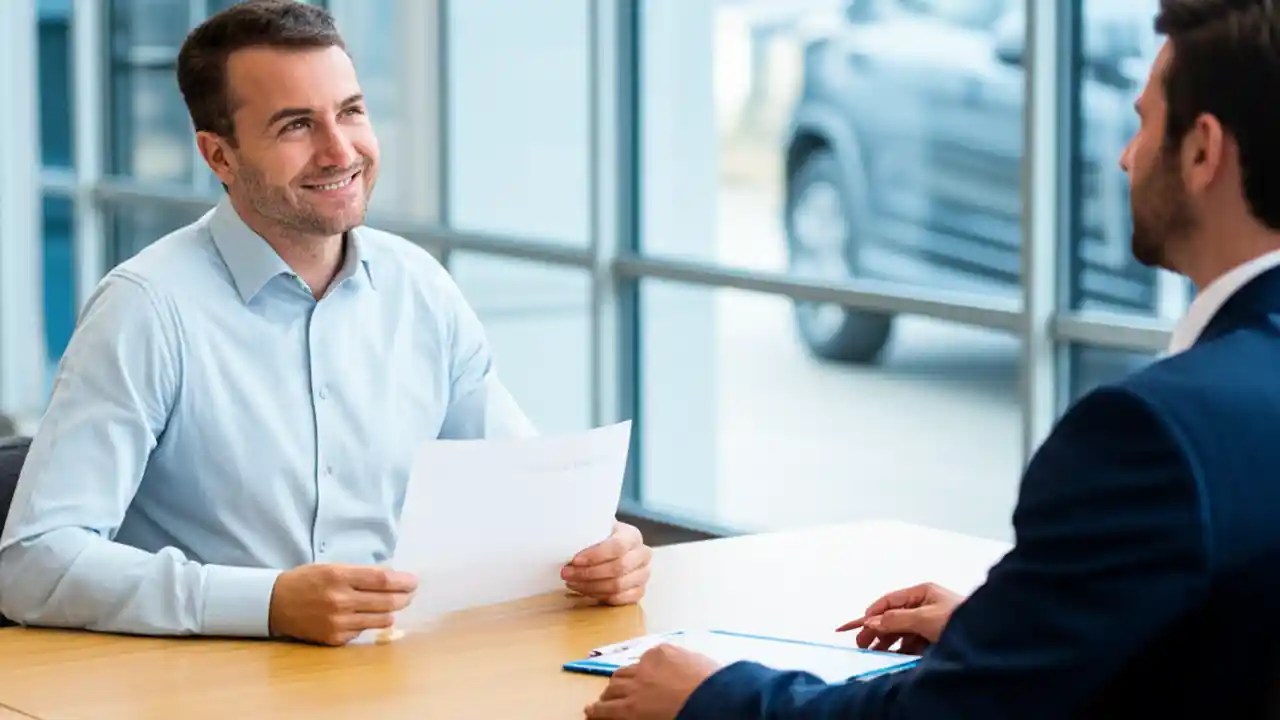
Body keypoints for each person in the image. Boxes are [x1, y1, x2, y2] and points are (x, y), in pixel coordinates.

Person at [586, 1, 1280, 717]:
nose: (1125, 156)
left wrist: (712, 696)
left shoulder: (1153, 433)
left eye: (1142, 123)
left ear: (1202, 151)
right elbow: (1219, 646)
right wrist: (1012, 627)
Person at [0, 0, 651, 646]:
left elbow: (523, 494)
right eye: (295, 126)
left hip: (399, 675)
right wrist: (268, 603)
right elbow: (35, 564)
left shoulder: (420, 289)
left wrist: (595, 547)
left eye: (351, 111)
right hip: (213, 689)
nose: (340, 151)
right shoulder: (146, 309)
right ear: (219, 156)